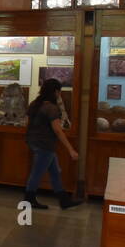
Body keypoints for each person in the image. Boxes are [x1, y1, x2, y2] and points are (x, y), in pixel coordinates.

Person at [24, 78, 81, 210]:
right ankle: (29, 200)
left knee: (55, 171)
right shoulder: (51, 108)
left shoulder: (34, 104)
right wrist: (71, 149)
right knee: (37, 173)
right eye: (59, 92)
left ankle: (64, 200)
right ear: (55, 92)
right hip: (45, 145)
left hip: (34, 142)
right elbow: (57, 130)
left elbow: (27, 123)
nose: (59, 94)